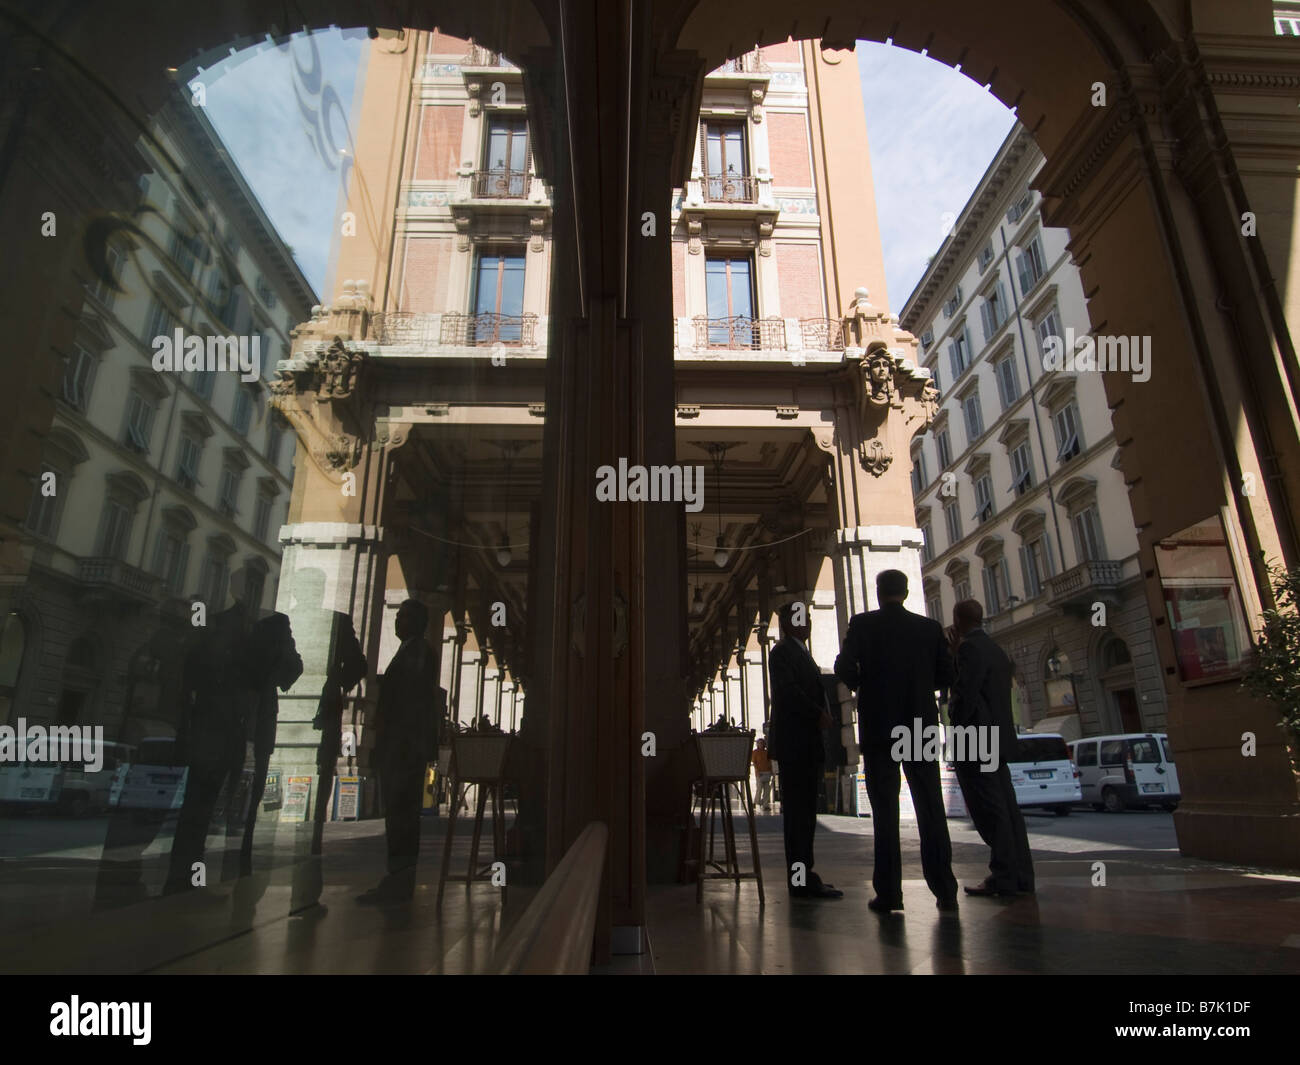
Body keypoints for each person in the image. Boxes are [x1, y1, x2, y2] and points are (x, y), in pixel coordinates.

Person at [834, 569, 959, 914]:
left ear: (878, 592)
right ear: (905, 593)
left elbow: (843, 665)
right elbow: (947, 674)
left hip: (879, 726)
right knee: (931, 807)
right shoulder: (929, 628)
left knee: (884, 812)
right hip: (919, 724)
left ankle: (889, 893)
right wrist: (919, 685)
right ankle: (945, 891)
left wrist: (865, 685)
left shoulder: (863, 625)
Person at [947, 599, 1034, 898]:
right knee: (1008, 810)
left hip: (977, 741)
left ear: (958, 619)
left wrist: (955, 721)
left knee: (989, 809)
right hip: (998, 740)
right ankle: (1021, 875)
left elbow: (965, 693)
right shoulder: (996, 649)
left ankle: (1004, 875)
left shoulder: (969, 649)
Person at [359, 600, 442, 904]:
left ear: (418, 622)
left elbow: (408, 703)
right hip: (406, 747)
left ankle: (399, 879)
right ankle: (399, 878)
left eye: (403, 617)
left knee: (401, 815)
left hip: (404, 748)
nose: (397, 622)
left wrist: (391, 738)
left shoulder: (416, 653)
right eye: (397, 616)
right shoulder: (415, 651)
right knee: (401, 815)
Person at [767, 603, 842, 899]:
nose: (806, 623)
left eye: (807, 617)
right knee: (799, 817)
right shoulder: (784, 652)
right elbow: (789, 693)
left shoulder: (797, 651)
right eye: (799, 618)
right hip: (797, 746)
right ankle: (800, 880)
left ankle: (805, 877)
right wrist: (818, 714)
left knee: (804, 816)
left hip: (803, 745)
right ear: (786, 623)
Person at [751, 737, 773, 812]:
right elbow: (754, 762)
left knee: (767, 789)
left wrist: (771, 771)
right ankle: (756, 801)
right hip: (759, 773)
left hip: (767, 772)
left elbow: (770, 762)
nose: (761, 744)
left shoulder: (767, 752)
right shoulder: (755, 752)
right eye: (759, 743)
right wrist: (757, 771)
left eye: (762, 743)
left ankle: (765, 804)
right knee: (759, 788)